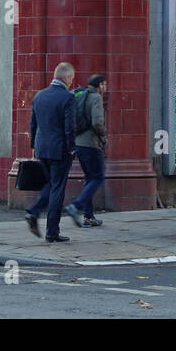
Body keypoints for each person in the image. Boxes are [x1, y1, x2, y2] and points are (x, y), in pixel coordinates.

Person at [25, 62, 78, 243]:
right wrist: (72, 148)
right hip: (60, 150)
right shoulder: (67, 98)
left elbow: (33, 124)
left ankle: (34, 211)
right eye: (72, 78)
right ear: (67, 77)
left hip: (42, 148)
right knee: (57, 189)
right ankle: (52, 232)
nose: (72, 82)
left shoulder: (39, 96)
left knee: (50, 184)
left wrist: (33, 145)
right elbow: (69, 127)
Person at [65, 73, 108, 229]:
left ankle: (88, 216)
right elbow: (97, 122)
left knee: (89, 178)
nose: (106, 87)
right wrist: (103, 137)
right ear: (99, 85)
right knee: (97, 178)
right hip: (91, 143)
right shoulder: (96, 97)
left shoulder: (77, 94)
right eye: (104, 84)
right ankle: (76, 207)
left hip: (78, 143)